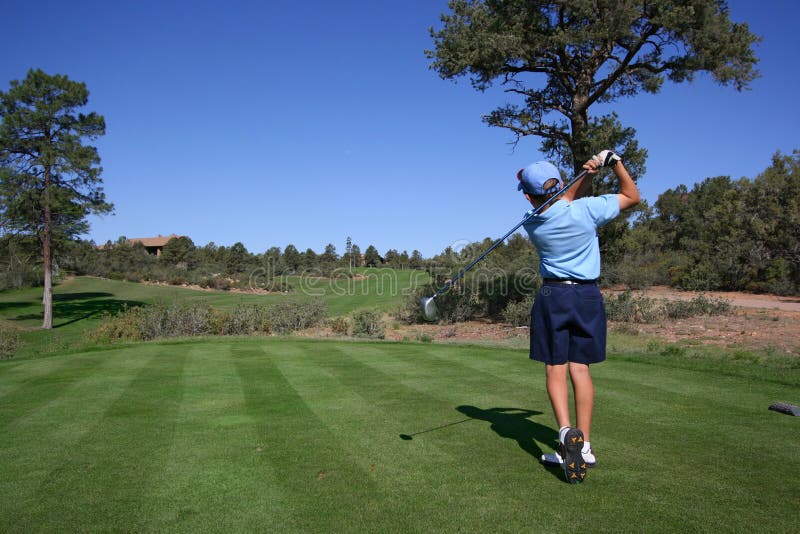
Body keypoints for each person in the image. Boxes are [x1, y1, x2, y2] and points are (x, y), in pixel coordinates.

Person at [517, 150, 640, 483]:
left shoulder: (532, 222)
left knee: (555, 367)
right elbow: (632, 196)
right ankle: (583, 445)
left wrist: (585, 176)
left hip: (552, 295)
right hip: (587, 295)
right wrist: (611, 164)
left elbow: (558, 201)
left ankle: (565, 434)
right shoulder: (587, 209)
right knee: (579, 368)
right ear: (559, 183)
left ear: (528, 197)